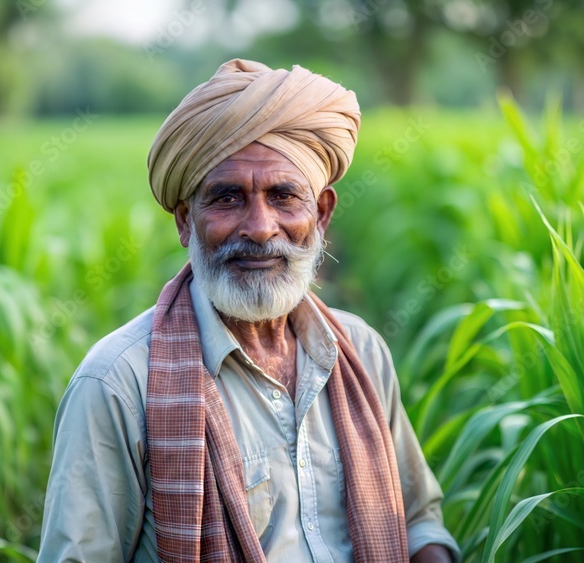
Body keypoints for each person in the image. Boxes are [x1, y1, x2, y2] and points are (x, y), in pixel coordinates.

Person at [38, 59, 459, 562]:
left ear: (321, 213)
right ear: (184, 221)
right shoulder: (117, 384)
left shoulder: (361, 350)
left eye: (284, 196)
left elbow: (416, 521)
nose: (260, 227)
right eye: (227, 198)